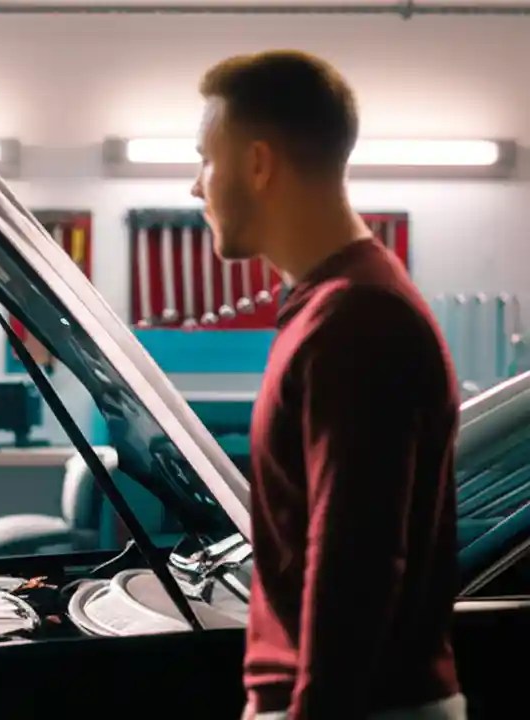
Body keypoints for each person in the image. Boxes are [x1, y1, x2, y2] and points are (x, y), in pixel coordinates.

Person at [190, 51, 465, 720]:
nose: (197, 188)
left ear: (258, 164)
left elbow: (356, 567)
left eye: (205, 158)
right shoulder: (336, 304)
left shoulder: (357, 320)